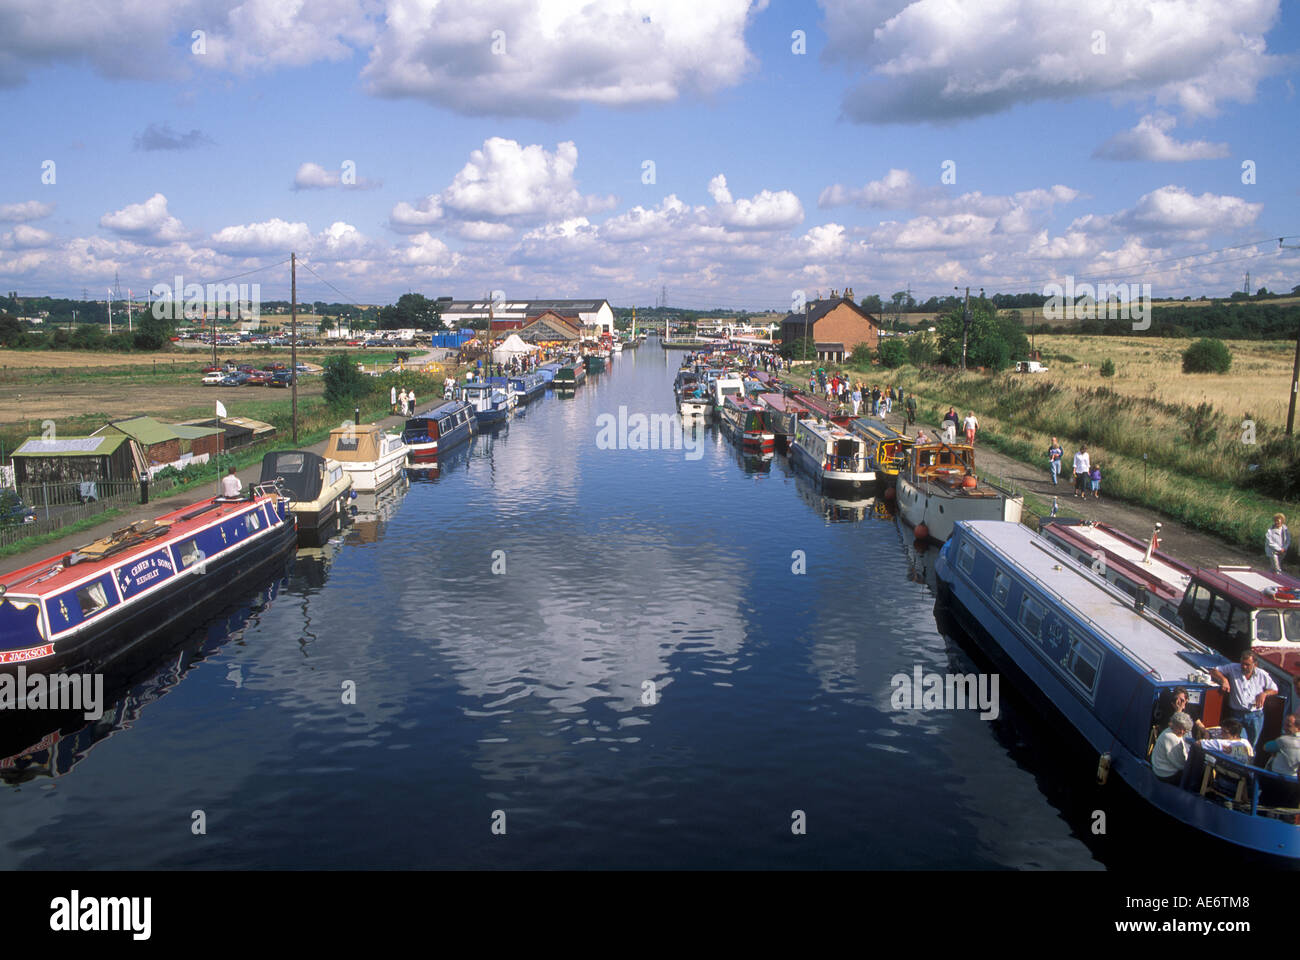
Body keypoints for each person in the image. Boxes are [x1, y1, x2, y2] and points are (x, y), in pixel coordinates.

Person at [1210, 651, 1278, 747]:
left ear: (1255, 664)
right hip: (1236, 715)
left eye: (1247, 665)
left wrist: (1264, 693)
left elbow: (1275, 689)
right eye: (1242, 664)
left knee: (1251, 745)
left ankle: (1248, 761)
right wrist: (1224, 680)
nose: (1244, 667)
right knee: (1236, 743)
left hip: (1255, 716)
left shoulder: (1262, 674)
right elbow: (1213, 671)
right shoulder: (1233, 668)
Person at [1151, 711, 1194, 783]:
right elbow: (1180, 764)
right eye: (1180, 728)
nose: (1182, 732)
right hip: (1165, 774)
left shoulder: (1168, 731)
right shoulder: (1171, 737)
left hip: (1159, 769)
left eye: (1184, 729)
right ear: (1173, 725)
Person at [1263, 713, 1300, 777]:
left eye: (1288, 726)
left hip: (1278, 779)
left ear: (1298, 728)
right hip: (1295, 781)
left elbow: (1266, 747)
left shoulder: (1283, 740)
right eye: (1284, 725)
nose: (1284, 728)